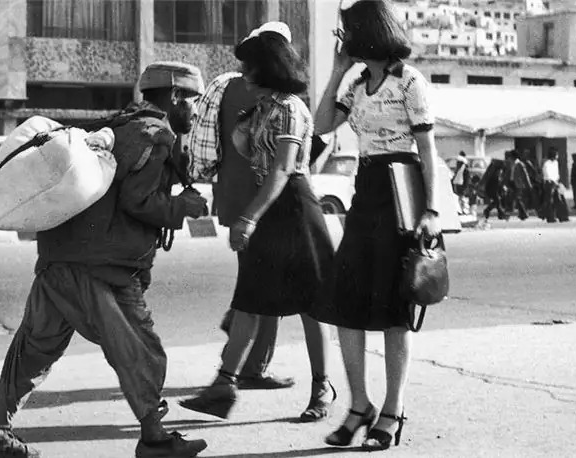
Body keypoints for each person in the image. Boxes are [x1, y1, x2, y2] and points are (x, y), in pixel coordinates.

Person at [0, 62, 210, 458]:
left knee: (34, 349)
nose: (196, 112)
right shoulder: (156, 133)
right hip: (104, 270)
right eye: (193, 102)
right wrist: (183, 205)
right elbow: (139, 202)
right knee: (139, 349)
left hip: (56, 260)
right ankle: (155, 438)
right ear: (174, 97)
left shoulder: (118, 124)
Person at [179, 22, 336, 423]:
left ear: (266, 67)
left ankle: (323, 388)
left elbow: (283, 170)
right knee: (248, 299)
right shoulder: (262, 107)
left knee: (311, 305)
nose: (244, 73)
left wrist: (247, 217)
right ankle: (222, 386)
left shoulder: (289, 108)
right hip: (266, 206)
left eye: (249, 66)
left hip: (293, 209)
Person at [312, 0, 442, 451]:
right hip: (365, 193)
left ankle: (393, 410)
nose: (341, 38)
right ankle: (359, 405)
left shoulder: (409, 81)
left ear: (365, 32)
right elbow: (323, 123)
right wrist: (335, 70)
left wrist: (432, 211)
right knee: (345, 302)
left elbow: (427, 152)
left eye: (346, 32)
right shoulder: (357, 83)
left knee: (392, 311)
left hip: (402, 196)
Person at [186, 70, 296, 391]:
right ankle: (253, 366)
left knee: (253, 277)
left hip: (231, 195)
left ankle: (237, 331)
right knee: (267, 284)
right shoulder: (268, 89)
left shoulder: (226, 85)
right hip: (259, 199)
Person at [540, 148, 561, 223]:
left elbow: (557, 173)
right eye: (556, 154)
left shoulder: (556, 163)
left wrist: (557, 181)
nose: (557, 156)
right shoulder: (547, 163)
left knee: (556, 201)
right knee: (549, 201)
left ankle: (554, 216)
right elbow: (547, 173)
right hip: (549, 183)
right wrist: (552, 181)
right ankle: (549, 217)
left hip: (555, 183)